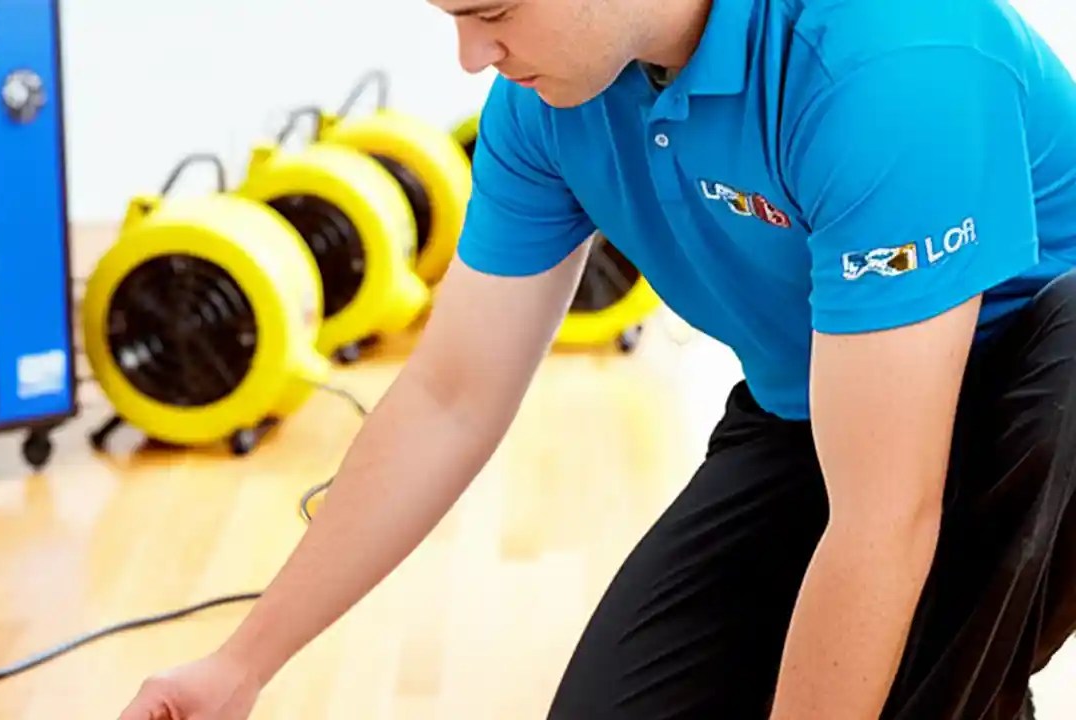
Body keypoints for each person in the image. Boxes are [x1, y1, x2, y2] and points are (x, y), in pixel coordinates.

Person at [117, 0, 1076, 717]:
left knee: (912, 681)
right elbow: (451, 396)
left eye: (492, 13)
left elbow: (887, 513)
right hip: (821, 411)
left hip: (1030, 402)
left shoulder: (890, 59)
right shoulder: (545, 106)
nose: (470, 56)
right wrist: (240, 662)